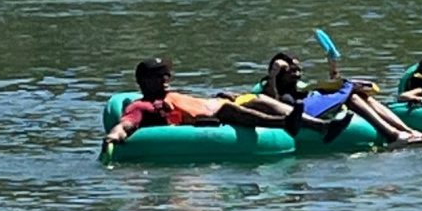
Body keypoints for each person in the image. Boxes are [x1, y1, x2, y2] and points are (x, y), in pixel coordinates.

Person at [100, 58, 297, 154]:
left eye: (167, 74)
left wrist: (218, 97)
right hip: (177, 141)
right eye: (160, 75)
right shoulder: (142, 106)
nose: (166, 79)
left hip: (204, 122)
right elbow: (126, 124)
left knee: (239, 104)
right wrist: (114, 135)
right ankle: (283, 123)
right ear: (144, 81)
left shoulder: (172, 96)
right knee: (228, 111)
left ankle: (301, 123)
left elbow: (195, 107)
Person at [264, 51, 422, 146]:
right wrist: (273, 75)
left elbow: (325, 91)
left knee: (360, 95)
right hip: (304, 118)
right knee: (352, 98)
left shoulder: (299, 87)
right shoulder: (271, 87)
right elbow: (272, 101)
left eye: (298, 70)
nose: (297, 74)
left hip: (316, 110)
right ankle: (392, 135)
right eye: (291, 71)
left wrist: (333, 69)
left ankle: (406, 131)